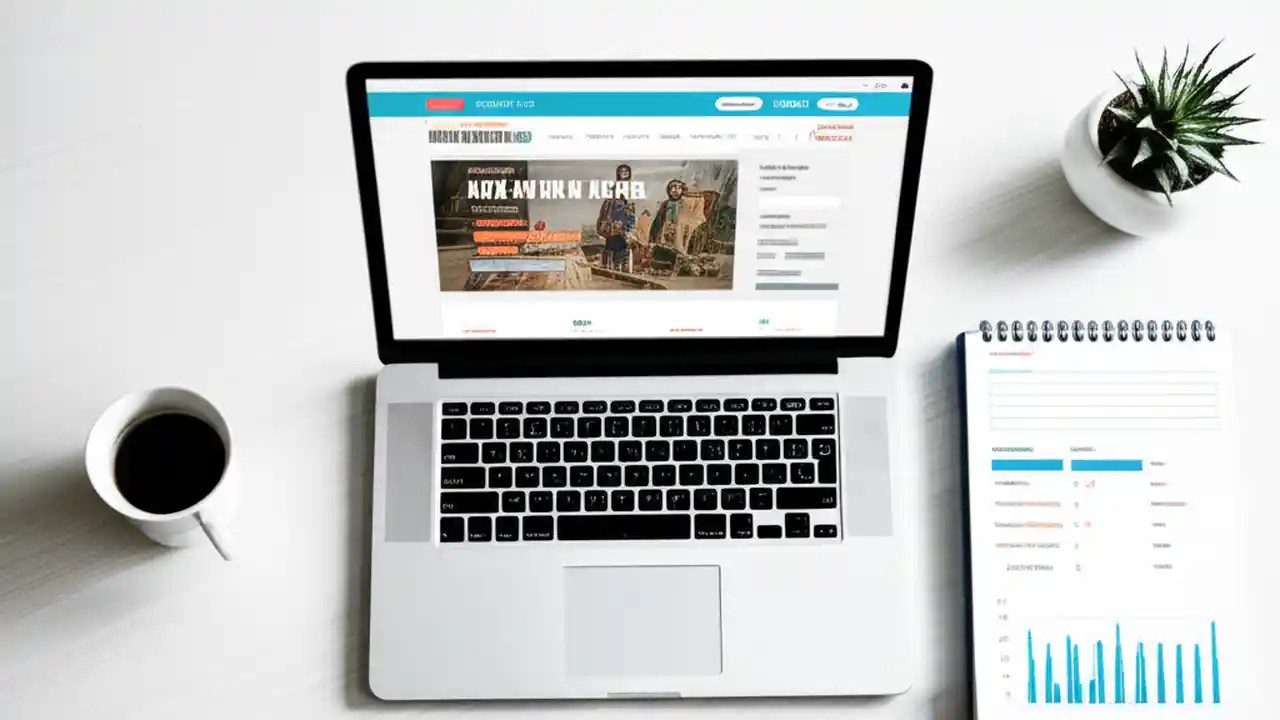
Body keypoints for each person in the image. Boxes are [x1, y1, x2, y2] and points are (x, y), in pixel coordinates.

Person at [595, 164, 635, 271]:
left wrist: (630, 225)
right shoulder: (615, 187)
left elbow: (631, 206)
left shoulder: (632, 187)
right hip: (614, 217)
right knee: (613, 243)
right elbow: (610, 203)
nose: (623, 174)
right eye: (621, 171)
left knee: (624, 243)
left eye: (626, 171)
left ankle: (622, 266)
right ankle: (613, 266)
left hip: (625, 216)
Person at [648, 178, 686, 247]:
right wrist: (654, 235)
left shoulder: (685, 203)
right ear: (669, 190)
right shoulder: (665, 204)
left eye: (679, 188)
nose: (675, 190)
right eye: (673, 188)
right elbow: (658, 221)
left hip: (680, 231)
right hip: (666, 231)